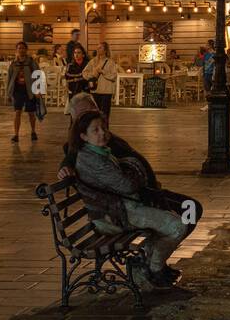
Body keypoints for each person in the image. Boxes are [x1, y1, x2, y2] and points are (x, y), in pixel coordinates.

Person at [66, 106, 198, 289]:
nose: (102, 133)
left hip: (131, 202)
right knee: (178, 224)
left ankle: (150, 266)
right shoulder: (92, 158)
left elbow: (129, 173)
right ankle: (153, 269)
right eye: (95, 130)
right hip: (117, 213)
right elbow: (127, 184)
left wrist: (134, 171)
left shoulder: (102, 150)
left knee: (189, 210)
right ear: (83, 136)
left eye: (103, 127)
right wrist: (135, 172)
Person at [6, 41, 41, 143]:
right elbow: (9, 78)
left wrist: (38, 90)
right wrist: (8, 93)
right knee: (17, 112)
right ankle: (16, 134)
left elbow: (38, 76)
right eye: (19, 48)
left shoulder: (31, 62)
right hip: (17, 90)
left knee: (31, 113)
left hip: (29, 91)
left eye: (23, 48)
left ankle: (33, 131)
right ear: (16, 50)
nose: (21, 50)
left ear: (26, 50)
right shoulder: (13, 64)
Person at [87, 41, 118, 122]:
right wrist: (92, 75)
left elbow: (114, 76)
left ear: (105, 50)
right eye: (97, 47)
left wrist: (103, 72)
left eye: (100, 48)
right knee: (95, 115)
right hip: (95, 90)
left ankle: (104, 132)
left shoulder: (111, 62)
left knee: (104, 114)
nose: (98, 49)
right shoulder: (93, 61)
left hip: (106, 92)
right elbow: (84, 72)